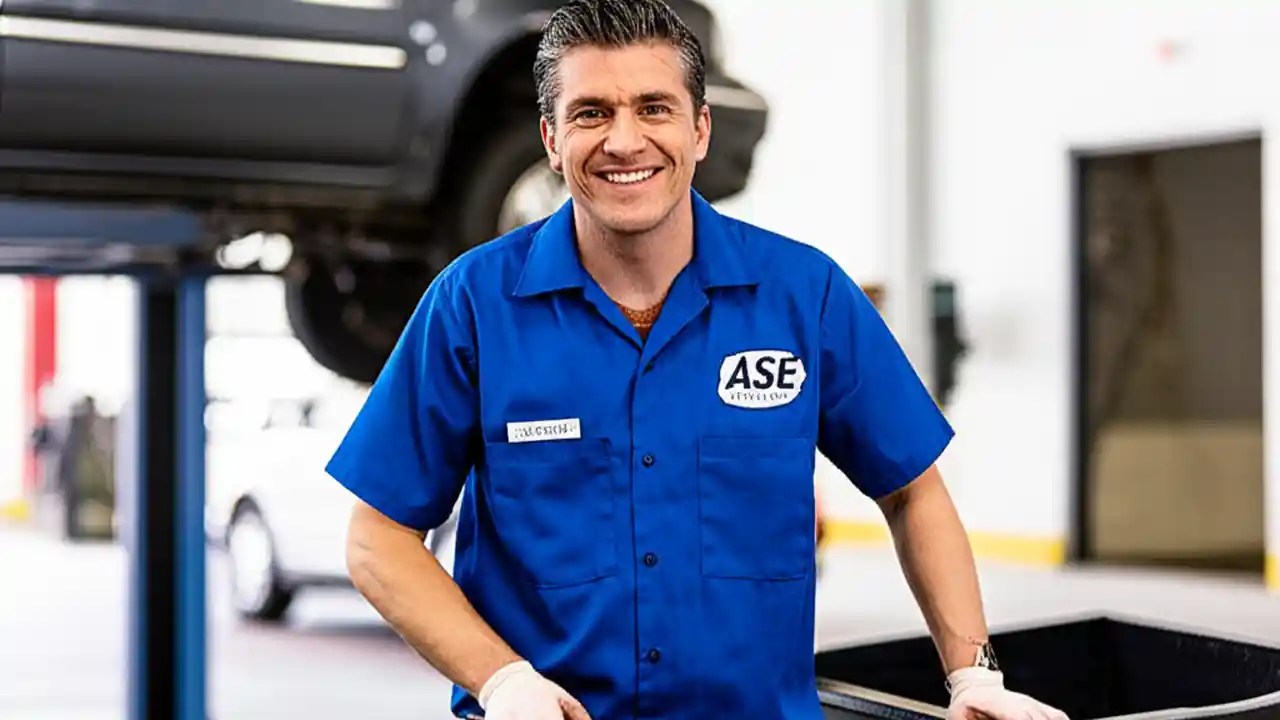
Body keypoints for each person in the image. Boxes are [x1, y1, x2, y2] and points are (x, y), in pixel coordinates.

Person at [325, 1, 1069, 719]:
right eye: (591, 113)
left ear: (700, 129)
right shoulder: (473, 307)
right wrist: (501, 680)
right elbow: (378, 536)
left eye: (653, 107)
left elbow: (912, 491)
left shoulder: (802, 297)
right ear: (551, 140)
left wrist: (973, 671)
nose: (623, 141)